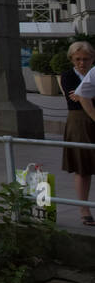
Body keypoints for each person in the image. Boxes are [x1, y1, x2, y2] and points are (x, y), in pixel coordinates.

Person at [61, 40, 95, 225]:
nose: (82, 63)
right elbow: (73, 98)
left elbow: (80, 96)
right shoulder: (67, 76)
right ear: (72, 59)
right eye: (78, 59)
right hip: (78, 121)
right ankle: (84, 209)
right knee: (83, 167)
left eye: (86, 59)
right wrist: (85, 95)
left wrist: (84, 94)